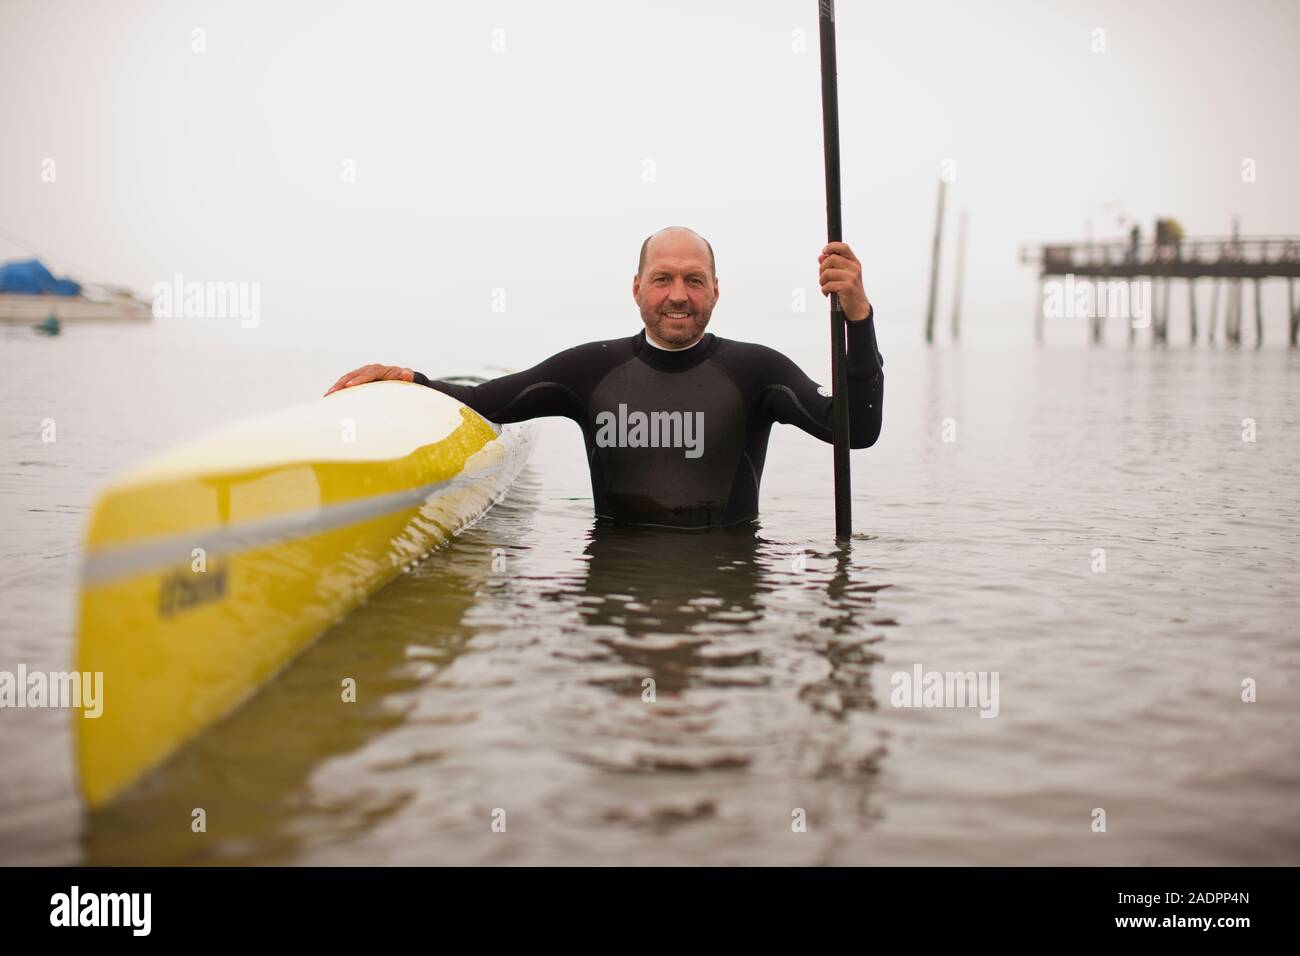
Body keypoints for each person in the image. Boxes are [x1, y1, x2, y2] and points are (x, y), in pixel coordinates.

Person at [325, 226, 884, 529]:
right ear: (637, 288)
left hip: (727, 603)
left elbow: (856, 428)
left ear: (715, 290)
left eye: (694, 279)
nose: (678, 295)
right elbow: (481, 402)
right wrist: (407, 379)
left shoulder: (757, 370)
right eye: (662, 278)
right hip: (614, 598)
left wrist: (857, 317)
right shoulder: (590, 369)